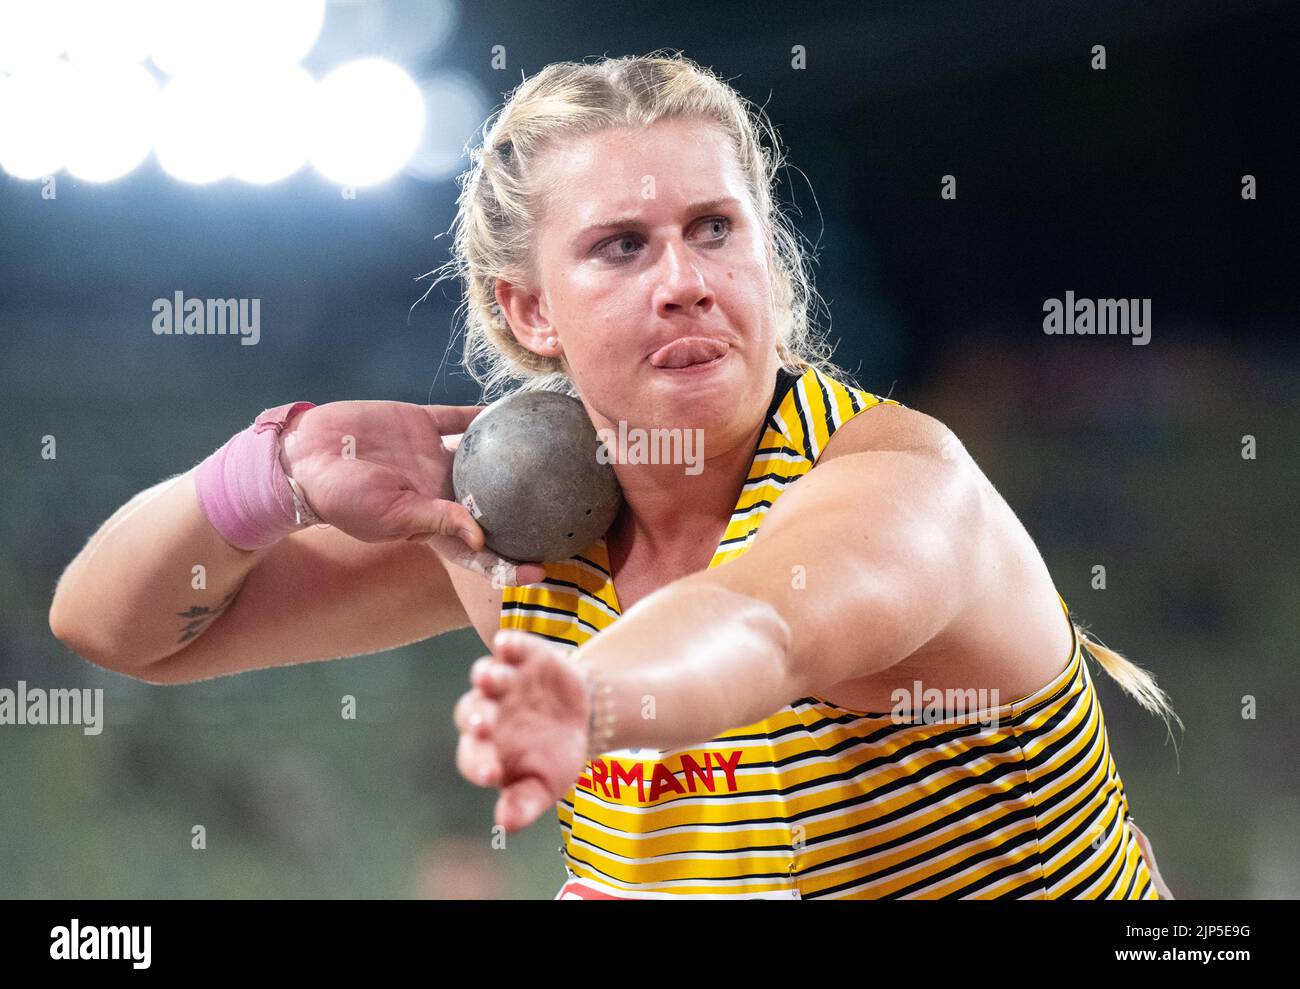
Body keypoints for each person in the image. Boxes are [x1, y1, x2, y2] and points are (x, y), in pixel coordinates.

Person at [48, 52, 1176, 900]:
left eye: (713, 229)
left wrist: (585, 700)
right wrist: (270, 475)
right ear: (527, 309)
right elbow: (121, 628)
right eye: (621, 245)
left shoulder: (902, 483)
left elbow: (753, 629)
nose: (683, 279)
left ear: (767, 264)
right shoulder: (496, 517)